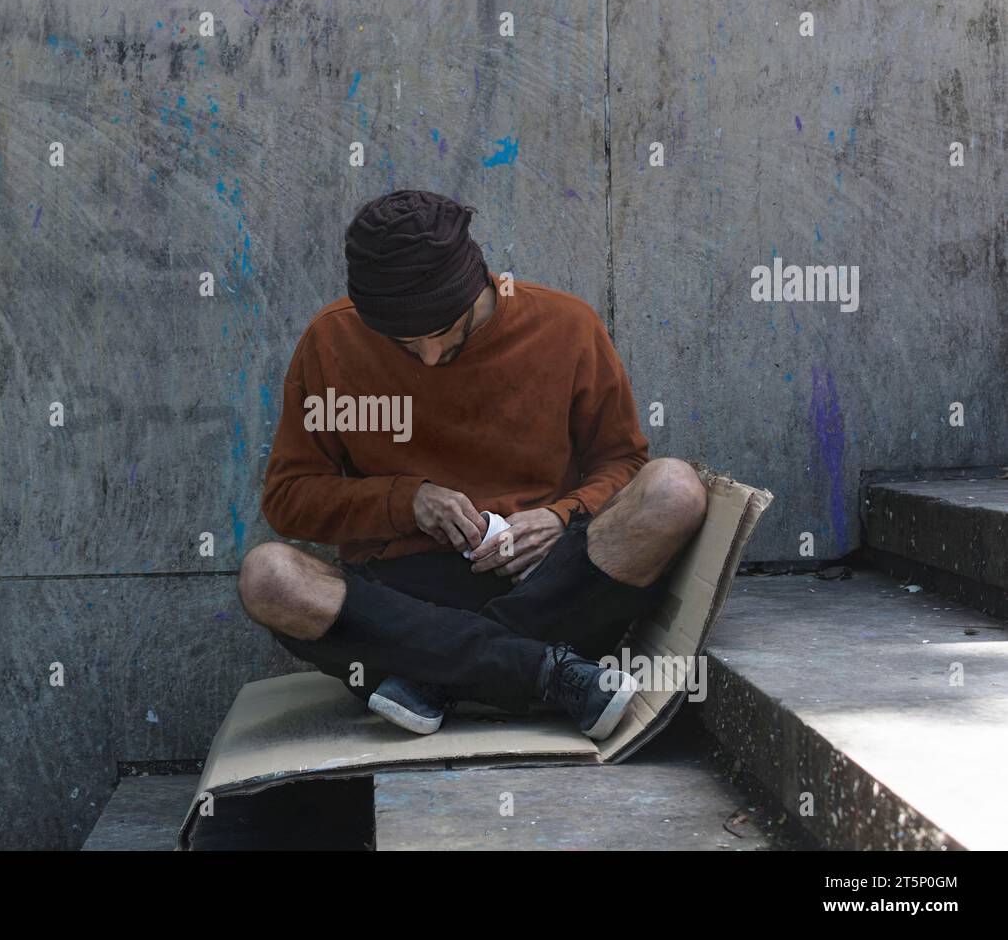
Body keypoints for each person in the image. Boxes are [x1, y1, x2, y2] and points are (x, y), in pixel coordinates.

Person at [237, 189, 707, 738]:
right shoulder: (331, 339)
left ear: (477, 284)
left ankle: (440, 674)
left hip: (548, 586)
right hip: (402, 605)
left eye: (445, 333)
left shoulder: (567, 326)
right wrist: (405, 501)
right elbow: (289, 498)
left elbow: (623, 462)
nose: (430, 358)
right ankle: (545, 671)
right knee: (268, 576)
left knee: (675, 488)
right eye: (405, 344)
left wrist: (562, 515)